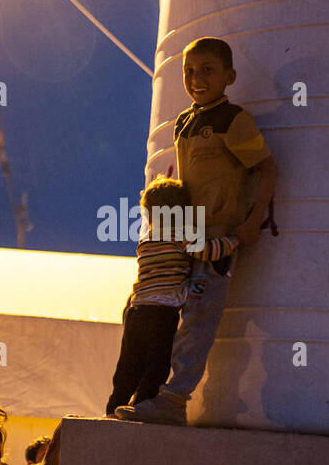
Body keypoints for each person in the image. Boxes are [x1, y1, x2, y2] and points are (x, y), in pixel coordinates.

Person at [117, 37, 278, 425]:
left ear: (229, 76)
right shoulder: (184, 122)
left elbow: (267, 168)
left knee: (199, 318)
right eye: (189, 71)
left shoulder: (233, 120)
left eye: (207, 70)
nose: (196, 78)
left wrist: (253, 221)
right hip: (181, 234)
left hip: (216, 236)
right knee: (152, 313)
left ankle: (174, 400)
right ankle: (145, 394)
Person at [105, 175, 247, 417]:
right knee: (157, 365)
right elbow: (209, 251)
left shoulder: (146, 240)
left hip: (137, 309)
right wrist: (234, 241)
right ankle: (141, 408)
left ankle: (113, 407)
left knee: (129, 363)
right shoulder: (181, 234)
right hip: (162, 313)